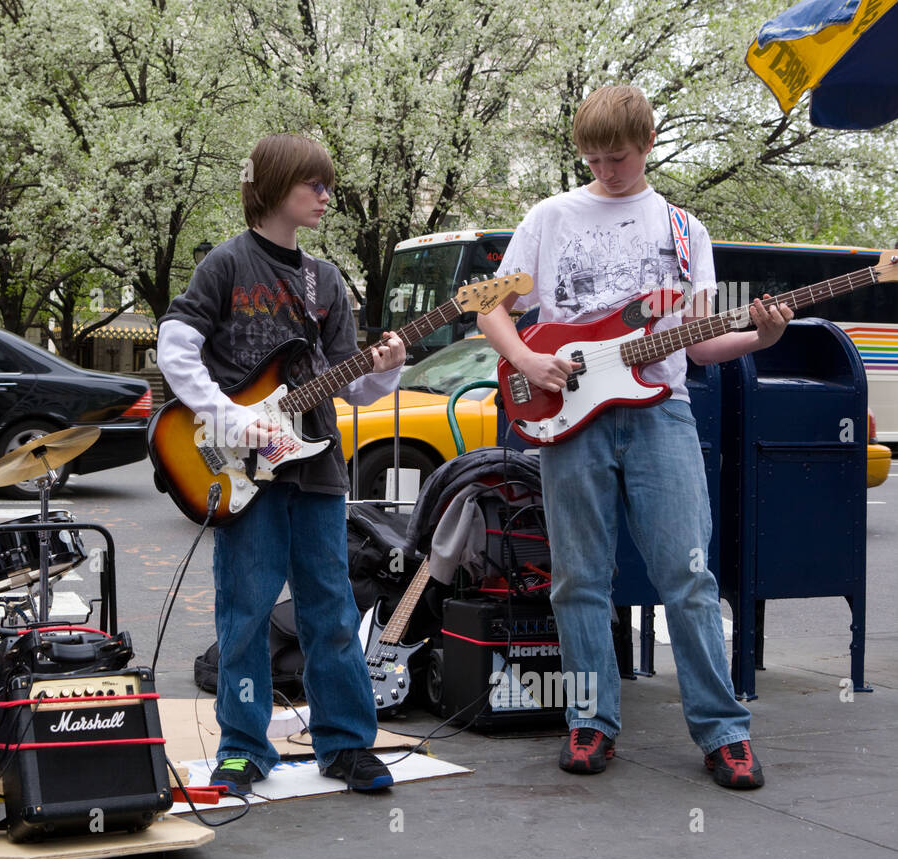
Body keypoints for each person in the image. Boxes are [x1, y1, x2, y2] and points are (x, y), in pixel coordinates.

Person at [477, 85, 790, 789]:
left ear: (647, 143)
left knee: (688, 575)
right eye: (591, 157)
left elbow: (700, 347)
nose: (604, 170)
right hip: (567, 416)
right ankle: (589, 722)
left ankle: (724, 732)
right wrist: (526, 359)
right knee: (578, 579)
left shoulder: (684, 229)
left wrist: (759, 335)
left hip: (661, 412)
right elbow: (488, 311)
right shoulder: (549, 217)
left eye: (616, 157)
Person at [157, 133, 406, 795]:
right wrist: (233, 419)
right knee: (245, 613)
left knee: (330, 611)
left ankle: (348, 745)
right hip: (241, 472)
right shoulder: (226, 265)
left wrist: (388, 367)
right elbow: (175, 347)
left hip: (318, 468)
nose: (326, 196)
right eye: (313, 185)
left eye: (328, 185)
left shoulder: (325, 280)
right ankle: (242, 747)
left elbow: (350, 384)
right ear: (273, 187)